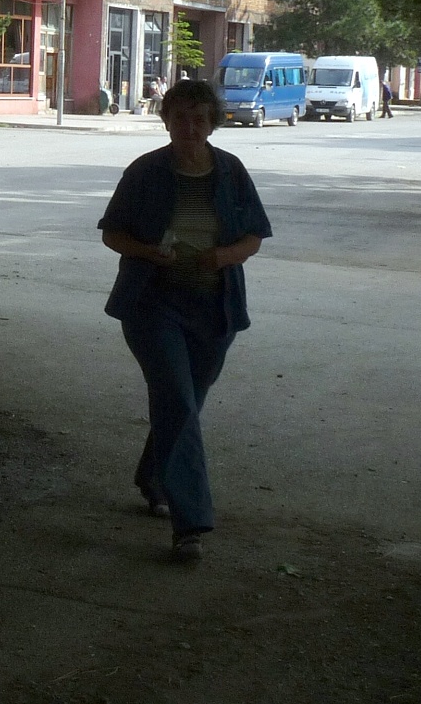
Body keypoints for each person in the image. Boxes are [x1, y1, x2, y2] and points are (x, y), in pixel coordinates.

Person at [98, 78, 272, 563]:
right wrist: (150, 252)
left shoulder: (231, 171)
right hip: (153, 305)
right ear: (167, 120)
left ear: (212, 122)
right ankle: (189, 521)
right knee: (176, 398)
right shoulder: (146, 171)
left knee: (186, 403)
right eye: (180, 118)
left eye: (199, 117)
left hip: (215, 308)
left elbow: (255, 237)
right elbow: (112, 233)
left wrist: (220, 257)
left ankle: (154, 478)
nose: (189, 127)